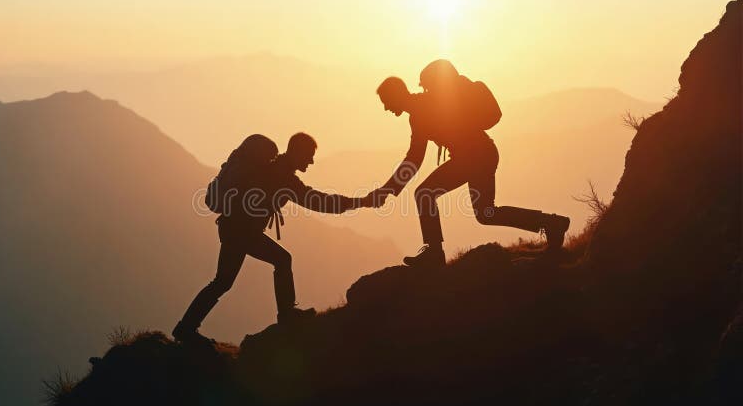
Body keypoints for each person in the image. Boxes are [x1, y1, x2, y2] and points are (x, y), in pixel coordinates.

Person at [369, 60, 570, 268]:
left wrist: (388, 189)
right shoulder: (420, 109)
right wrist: (389, 189)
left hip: (474, 157)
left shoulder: (421, 110)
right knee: (485, 213)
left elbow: (414, 158)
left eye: (386, 101)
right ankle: (552, 223)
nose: (386, 108)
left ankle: (435, 254)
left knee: (425, 193)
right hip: (481, 154)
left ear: (396, 95)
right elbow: (415, 157)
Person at [173, 132, 362, 344]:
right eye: (308, 155)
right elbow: (318, 201)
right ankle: (286, 315)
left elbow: (316, 200)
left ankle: (186, 328)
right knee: (278, 261)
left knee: (224, 281)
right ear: (296, 151)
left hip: (235, 229)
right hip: (241, 232)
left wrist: (356, 202)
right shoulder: (282, 176)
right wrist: (359, 202)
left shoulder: (276, 171)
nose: (311, 160)